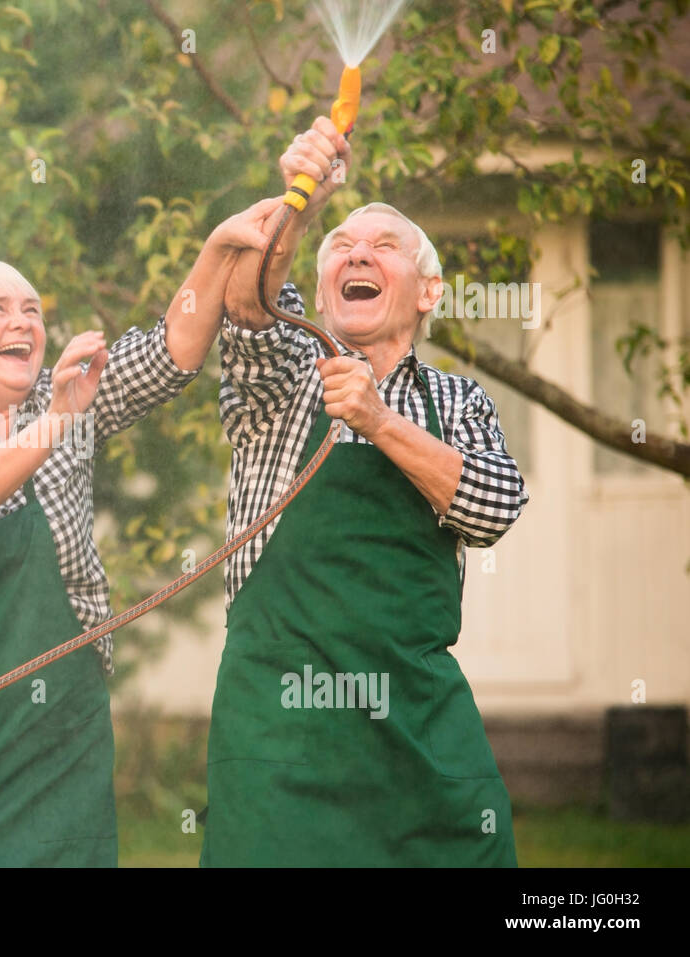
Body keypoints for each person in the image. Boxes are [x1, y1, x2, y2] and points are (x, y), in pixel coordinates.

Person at [0, 199, 295, 866]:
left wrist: (215, 252)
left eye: (31, 309)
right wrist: (58, 420)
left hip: (56, 733)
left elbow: (171, 352)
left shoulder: (67, 399)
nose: (23, 321)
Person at [201, 117, 530, 866]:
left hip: (416, 721)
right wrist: (303, 200)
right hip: (280, 733)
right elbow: (249, 302)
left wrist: (378, 420)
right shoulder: (281, 377)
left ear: (428, 291)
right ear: (318, 294)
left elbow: (494, 507)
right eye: (340, 249)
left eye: (384, 246)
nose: (358, 253)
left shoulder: (459, 403)